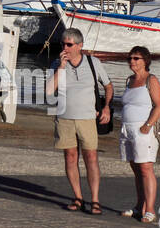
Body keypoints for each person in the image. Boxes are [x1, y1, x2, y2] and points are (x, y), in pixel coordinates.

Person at [46, 27, 112, 214]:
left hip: (88, 119)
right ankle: (78, 197)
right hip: (65, 118)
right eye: (62, 44)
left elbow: (108, 86)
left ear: (79, 46)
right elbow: (49, 91)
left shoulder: (93, 63)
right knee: (70, 157)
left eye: (69, 44)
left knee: (91, 157)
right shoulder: (56, 64)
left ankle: (95, 199)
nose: (65, 47)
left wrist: (106, 107)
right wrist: (61, 67)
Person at [119, 46, 160, 223]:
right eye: (130, 58)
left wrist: (148, 125)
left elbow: (159, 105)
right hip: (127, 129)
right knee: (136, 169)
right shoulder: (130, 80)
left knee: (146, 169)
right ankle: (139, 206)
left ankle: (150, 210)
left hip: (143, 130)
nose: (132, 61)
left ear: (145, 60)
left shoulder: (151, 80)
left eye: (136, 58)